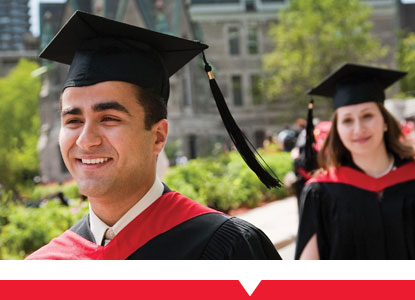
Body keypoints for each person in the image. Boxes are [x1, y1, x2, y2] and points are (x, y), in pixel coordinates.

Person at [26, 11, 280, 260]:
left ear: (158, 136)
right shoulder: (42, 268)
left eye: (109, 119)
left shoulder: (226, 249)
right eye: (73, 120)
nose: (85, 139)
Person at [295, 63, 415, 260]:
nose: (358, 129)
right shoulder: (321, 193)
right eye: (347, 120)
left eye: (367, 116)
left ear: (386, 122)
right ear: (337, 129)